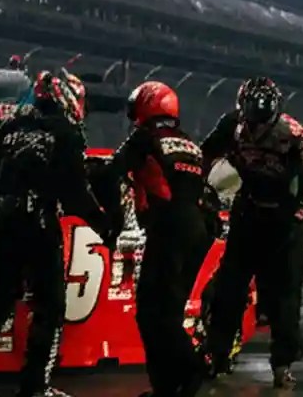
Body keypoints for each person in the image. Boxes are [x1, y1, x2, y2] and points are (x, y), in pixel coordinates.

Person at [0, 70, 111, 397]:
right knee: (50, 305)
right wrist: (102, 225)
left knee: (3, 294)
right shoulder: (66, 132)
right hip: (38, 218)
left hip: (3, 217)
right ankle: (35, 387)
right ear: (66, 98)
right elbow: (74, 189)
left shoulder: (12, 125)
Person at [198, 77, 303, 389]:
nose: (256, 131)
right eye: (251, 123)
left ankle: (282, 363)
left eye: (263, 124)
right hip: (249, 207)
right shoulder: (231, 125)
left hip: (286, 215)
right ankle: (217, 353)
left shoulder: (295, 135)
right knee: (230, 286)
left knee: (285, 294)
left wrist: (298, 216)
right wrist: (203, 189)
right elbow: (203, 155)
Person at [102, 81, 210, 397]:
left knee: (150, 313)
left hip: (169, 228)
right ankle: (170, 387)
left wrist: (111, 218)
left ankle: (189, 373)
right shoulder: (189, 143)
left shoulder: (145, 138)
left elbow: (112, 172)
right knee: (170, 312)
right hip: (198, 229)